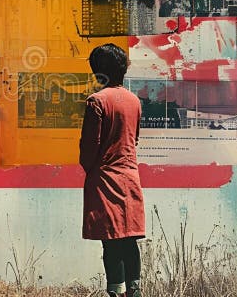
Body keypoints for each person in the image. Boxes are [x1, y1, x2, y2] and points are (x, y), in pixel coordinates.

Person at [79, 43, 144, 297]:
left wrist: (90, 169)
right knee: (129, 240)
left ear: (99, 71)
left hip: (105, 177)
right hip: (130, 177)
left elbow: (89, 148)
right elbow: (133, 139)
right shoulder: (134, 101)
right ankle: (135, 291)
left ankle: (115, 292)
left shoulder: (96, 101)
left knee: (111, 242)